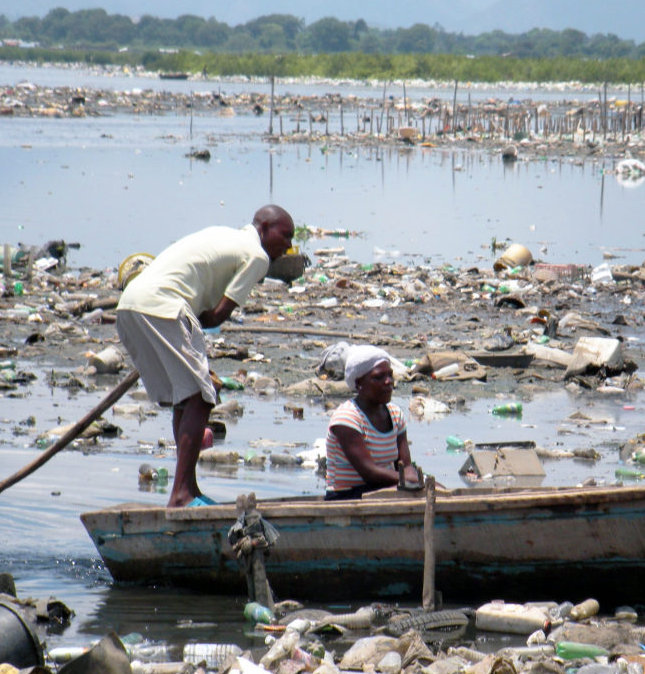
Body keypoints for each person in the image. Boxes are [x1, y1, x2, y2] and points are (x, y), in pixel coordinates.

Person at [116, 204, 295, 507]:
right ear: (263, 227)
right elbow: (216, 317)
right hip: (163, 305)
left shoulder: (221, 234)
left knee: (184, 398)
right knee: (199, 397)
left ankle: (188, 488)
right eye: (285, 236)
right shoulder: (257, 256)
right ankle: (182, 492)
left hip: (130, 305)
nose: (288, 246)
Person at [324, 346, 420, 500]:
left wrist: (414, 477)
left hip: (384, 488)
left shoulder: (395, 414)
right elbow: (369, 472)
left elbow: (405, 465)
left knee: (434, 489)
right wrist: (407, 479)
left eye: (390, 375)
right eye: (379, 377)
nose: (388, 382)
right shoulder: (347, 418)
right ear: (359, 383)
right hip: (347, 496)